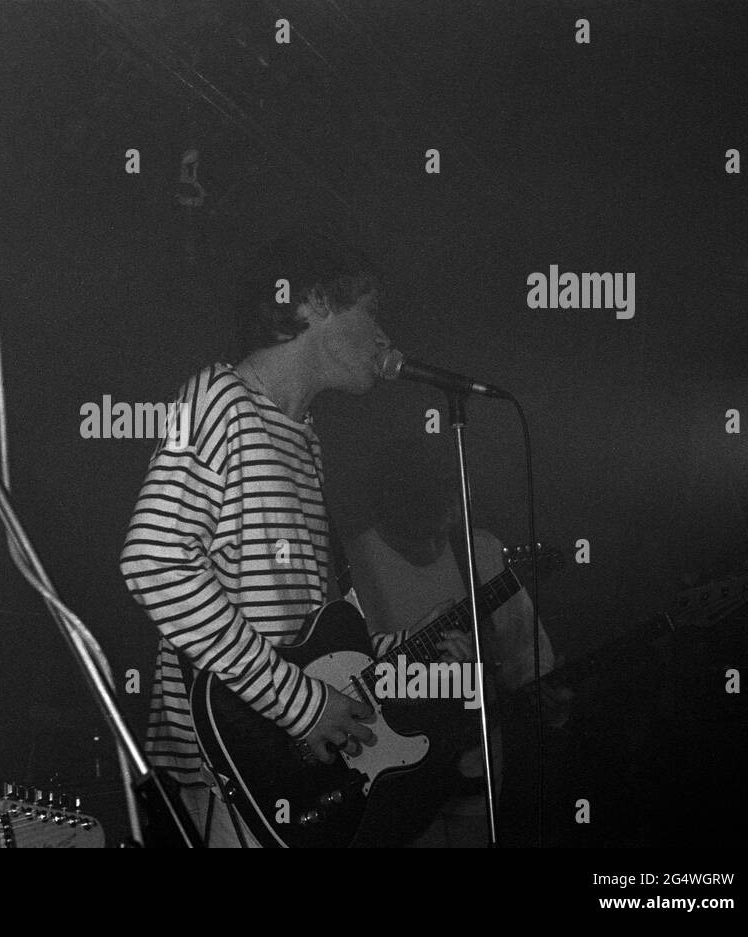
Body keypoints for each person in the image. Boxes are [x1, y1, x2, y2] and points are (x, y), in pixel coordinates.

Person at [119, 236, 474, 846]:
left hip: (282, 766)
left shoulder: (301, 438)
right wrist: (300, 704)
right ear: (313, 303)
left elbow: (311, 637)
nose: (386, 337)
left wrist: (413, 651)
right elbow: (155, 563)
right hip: (231, 765)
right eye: (372, 310)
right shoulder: (217, 398)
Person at [347, 440, 564, 847]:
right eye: (431, 503)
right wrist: (423, 672)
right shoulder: (355, 564)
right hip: (393, 775)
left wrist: (546, 695)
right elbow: (352, 680)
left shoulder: (480, 549)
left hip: (474, 766)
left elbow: (525, 652)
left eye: (453, 501)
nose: (435, 544)